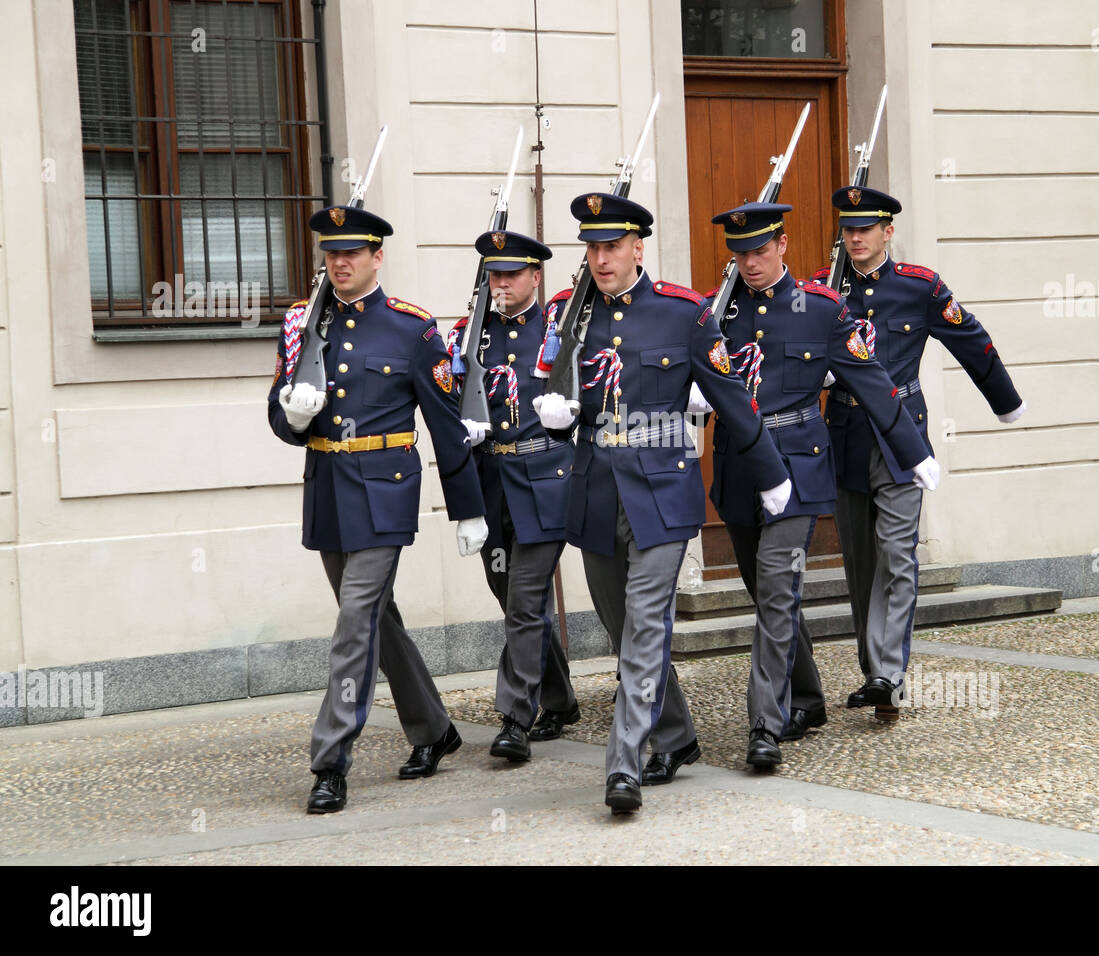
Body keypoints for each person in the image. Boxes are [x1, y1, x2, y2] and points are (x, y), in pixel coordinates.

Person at [532, 193, 790, 814]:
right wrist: (557, 420)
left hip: (663, 493)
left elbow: (732, 398)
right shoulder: (565, 312)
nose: (600, 259)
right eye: (592, 248)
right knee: (622, 628)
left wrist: (771, 473)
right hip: (596, 491)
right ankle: (676, 735)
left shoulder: (683, 313)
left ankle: (624, 764)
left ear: (637, 248)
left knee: (647, 625)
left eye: (612, 247)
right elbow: (553, 395)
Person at [268, 204, 490, 813]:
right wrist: (293, 415)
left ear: (376, 257)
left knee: (353, 624)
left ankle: (330, 760)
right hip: (328, 490)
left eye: (352, 253)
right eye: (331, 253)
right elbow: (279, 420)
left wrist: (467, 507)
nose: (340, 263)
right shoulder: (303, 323)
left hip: (385, 493)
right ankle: (433, 728)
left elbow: (445, 424)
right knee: (373, 620)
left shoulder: (411, 330)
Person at [700, 202, 937, 767]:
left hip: (797, 468)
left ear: (782, 245)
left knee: (778, 590)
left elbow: (872, 381)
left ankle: (765, 724)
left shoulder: (823, 309)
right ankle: (807, 697)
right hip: (737, 465)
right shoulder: (713, 311)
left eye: (760, 250)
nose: (750, 263)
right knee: (765, 591)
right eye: (740, 253)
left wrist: (913, 450)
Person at [809, 186, 1025, 720]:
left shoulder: (918, 287)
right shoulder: (821, 289)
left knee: (897, 554)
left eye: (866, 228)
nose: (855, 237)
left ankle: (888, 674)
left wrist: (1005, 402)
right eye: (848, 229)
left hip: (901, 436)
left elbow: (971, 338)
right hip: (845, 433)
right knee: (860, 562)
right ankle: (874, 672)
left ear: (888, 231)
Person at [450, 230, 580, 762]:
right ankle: (560, 699)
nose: (501, 283)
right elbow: (446, 404)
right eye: (494, 275)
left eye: (512, 274)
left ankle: (514, 718)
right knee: (511, 598)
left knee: (526, 600)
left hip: (545, 480)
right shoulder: (468, 336)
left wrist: (568, 421)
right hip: (491, 483)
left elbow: (584, 400)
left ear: (535, 276)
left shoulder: (559, 333)